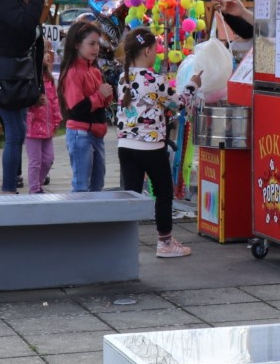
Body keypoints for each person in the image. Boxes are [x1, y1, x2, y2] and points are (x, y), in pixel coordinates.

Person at [117, 26, 199, 257]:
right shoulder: (154, 79)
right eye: (155, 50)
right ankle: (165, 243)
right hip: (150, 146)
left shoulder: (122, 78)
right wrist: (193, 84)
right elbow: (177, 102)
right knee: (163, 192)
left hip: (126, 145)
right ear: (146, 51)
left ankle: (123, 245)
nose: (157, 54)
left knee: (131, 195)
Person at [0, 0, 48, 194]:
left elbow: (35, 46)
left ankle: (11, 186)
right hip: (6, 76)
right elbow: (24, 26)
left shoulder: (25, 2)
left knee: (18, 131)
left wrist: (39, 86)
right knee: (14, 132)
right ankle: (9, 189)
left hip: (21, 76)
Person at [60, 21, 113, 193]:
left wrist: (106, 96)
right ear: (77, 44)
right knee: (81, 185)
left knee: (97, 183)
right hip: (81, 133)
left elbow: (100, 102)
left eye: (97, 43)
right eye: (91, 44)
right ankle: (79, 211)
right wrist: (100, 96)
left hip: (96, 132)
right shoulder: (74, 72)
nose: (96, 48)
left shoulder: (94, 70)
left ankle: (93, 211)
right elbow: (76, 108)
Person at [26, 41, 63, 194]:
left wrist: (57, 118)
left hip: (47, 127)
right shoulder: (30, 78)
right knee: (36, 161)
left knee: (48, 159)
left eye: (50, 51)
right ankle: (34, 188)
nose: (48, 55)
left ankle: (38, 184)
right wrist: (33, 101)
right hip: (33, 128)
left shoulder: (49, 78)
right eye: (45, 51)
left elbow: (54, 100)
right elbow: (24, 100)